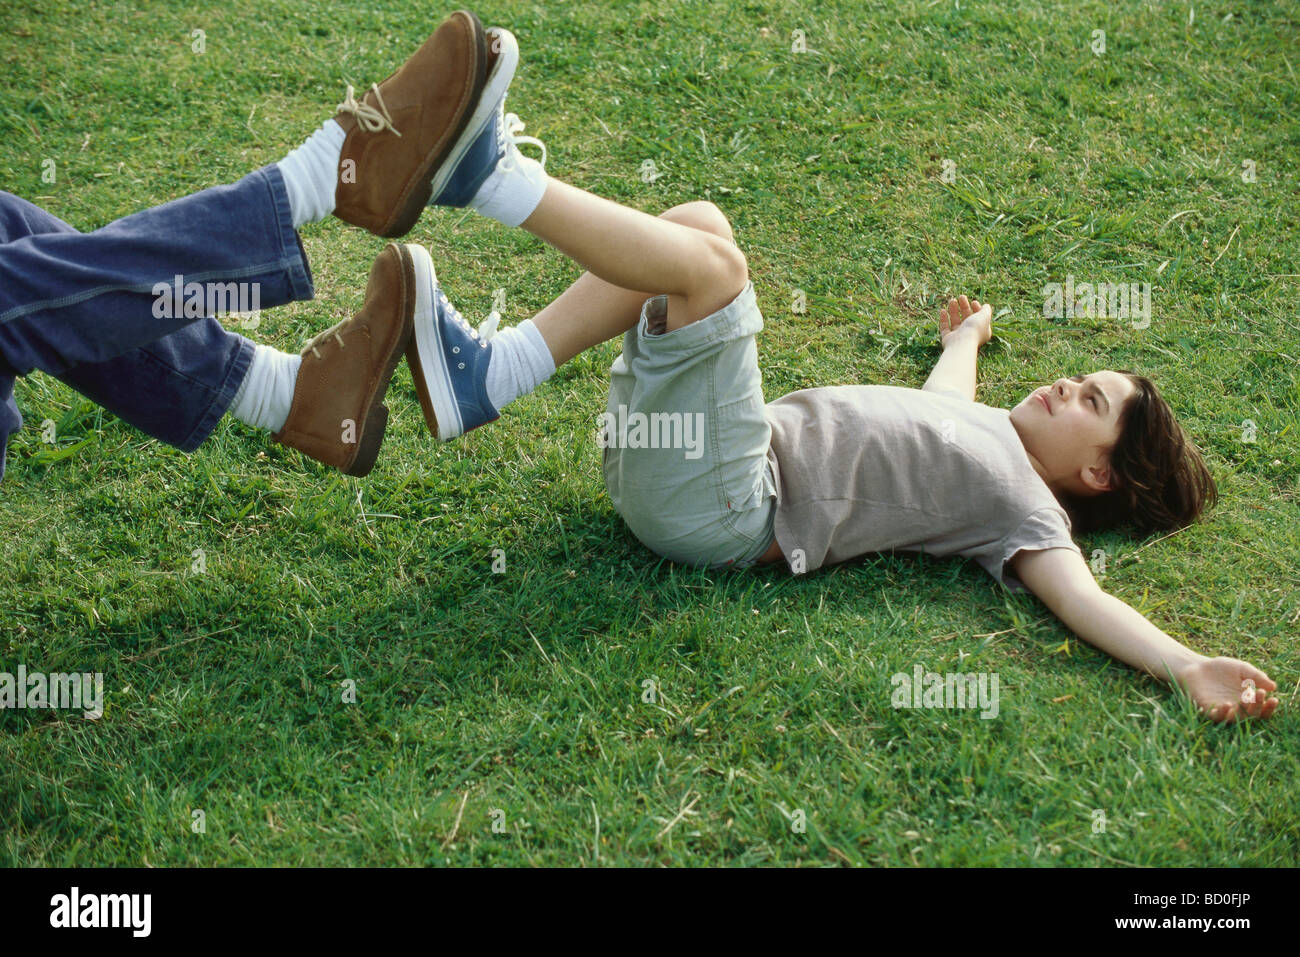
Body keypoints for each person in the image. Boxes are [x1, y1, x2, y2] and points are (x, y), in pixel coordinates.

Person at [397, 21, 1279, 725]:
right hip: (685, 469)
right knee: (701, 219)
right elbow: (940, 406)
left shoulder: (1031, 513)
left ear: (1097, 472)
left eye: (1090, 401)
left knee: (716, 276)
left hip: (730, 504)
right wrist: (966, 338)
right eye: (1079, 376)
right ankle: (496, 371)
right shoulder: (987, 436)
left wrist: (1186, 663)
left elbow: (1085, 601)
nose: (1064, 386)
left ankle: (490, 176)